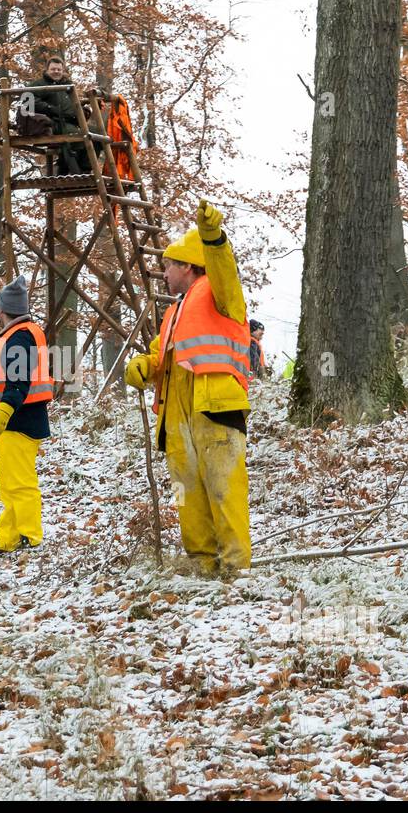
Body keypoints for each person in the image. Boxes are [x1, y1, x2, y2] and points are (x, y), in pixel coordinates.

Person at [126, 200, 252, 575]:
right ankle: (202, 565)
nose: (163, 273)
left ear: (187, 266)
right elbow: (161, 357)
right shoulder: (174, 312)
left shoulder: (219, 291)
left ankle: (235, 569)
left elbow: (223, 267)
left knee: (223, 489)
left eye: (168, 266)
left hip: (214, 407)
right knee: (188, 495)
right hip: (177, 418)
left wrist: (213, 237)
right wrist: (144, 366)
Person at [0, 276, 53, 552]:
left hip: (19, 420)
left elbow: (18, 380)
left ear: (3, 310)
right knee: (10, 484)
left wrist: (4, 410)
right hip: (17, 421)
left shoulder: (20, 335)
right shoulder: (20, 334)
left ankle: (30, 537)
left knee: (19, 483)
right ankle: (8, 539)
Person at [27, 56, 88, 175]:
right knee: (78, 137)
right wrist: (50, 108)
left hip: (70, 122)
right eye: (53, 69)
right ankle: (70, 172)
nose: (56, 72)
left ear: (63, 70)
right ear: (47, 70)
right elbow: (27, 102)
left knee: (96, 135)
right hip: (50, 123)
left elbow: (73, 103)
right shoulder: (38, 85)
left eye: (59, 70)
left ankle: (86, 169)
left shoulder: (68, 86)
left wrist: (82, 110)